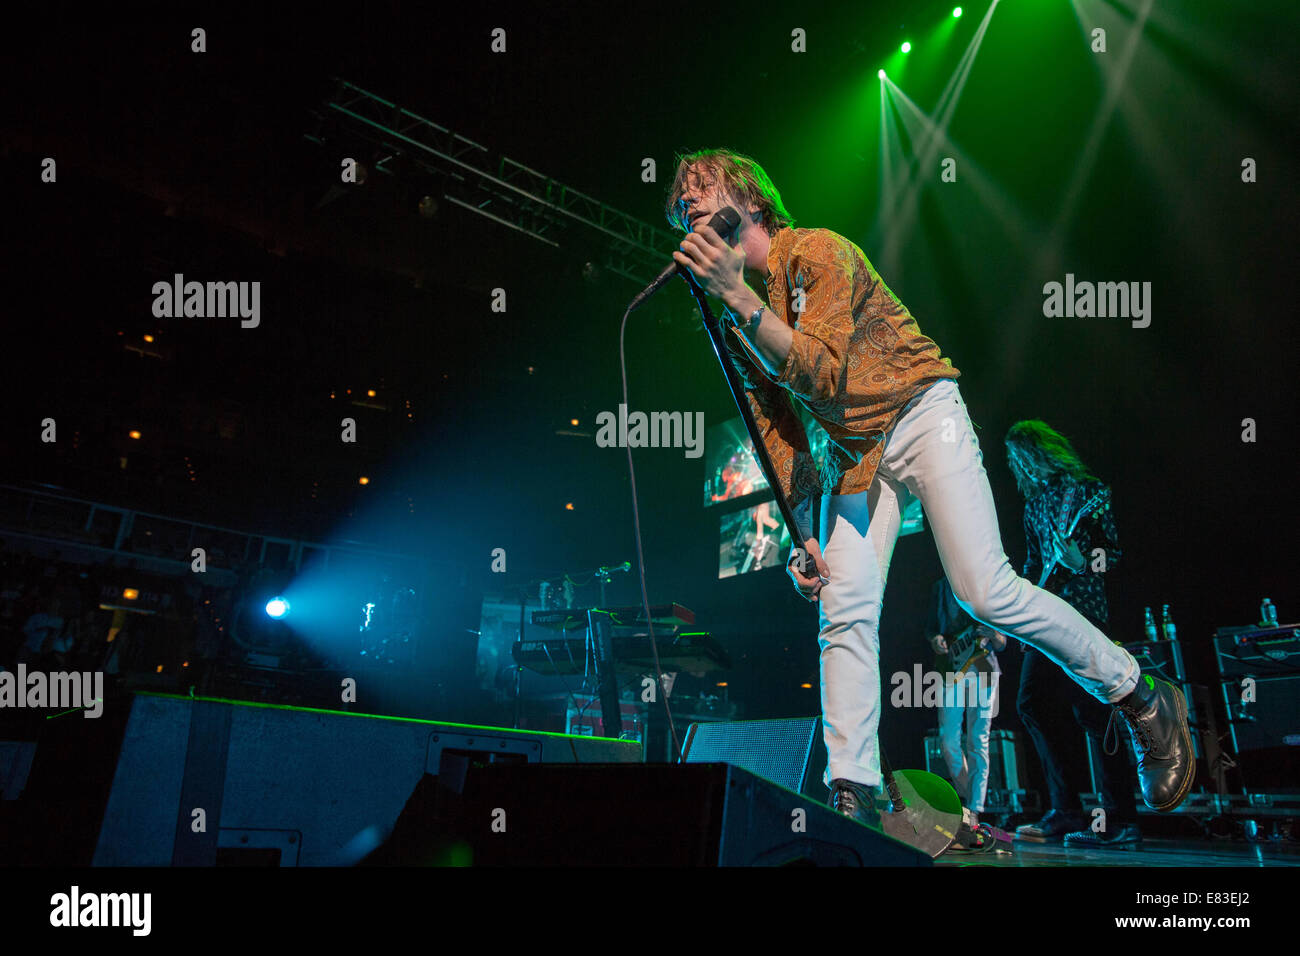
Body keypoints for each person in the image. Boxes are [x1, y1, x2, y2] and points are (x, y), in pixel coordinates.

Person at [664, 148, 1193, 827]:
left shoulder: (819, 252)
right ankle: (850, 793)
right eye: (680, 205)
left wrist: (735, 294)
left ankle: (1141, 694)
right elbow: (775, 424)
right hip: (855, 453)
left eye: (699, 191)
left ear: (751, 200)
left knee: (984, 589)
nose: (687, 207)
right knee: (842, 606)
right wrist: (802, 535)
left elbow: (820, 374)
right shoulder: (742, 315)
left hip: (920, 411)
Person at [1005, 420, 1142, 848]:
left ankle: (1119, 817)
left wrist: (1084, 560)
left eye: (1018, 455)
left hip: (1084, 614)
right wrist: (1017, 612)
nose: (1015, 466)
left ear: (1037, 451)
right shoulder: (1033, 507)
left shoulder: (1087, 492)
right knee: (1033, 704)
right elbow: (1032, 563)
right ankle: (1064, 811)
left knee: (1096, 712)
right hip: (1044, 617)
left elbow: (1112, 554)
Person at [925, 577, 1006, 824]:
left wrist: (993, 634)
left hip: (983, 667)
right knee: (948, 742)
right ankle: (971, 798)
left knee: (977, 741)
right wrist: (934, 639)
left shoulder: (984, 581)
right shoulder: (939, 586)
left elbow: (1002, 642)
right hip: (951, 668)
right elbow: (930, 626)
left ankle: (973, 810)